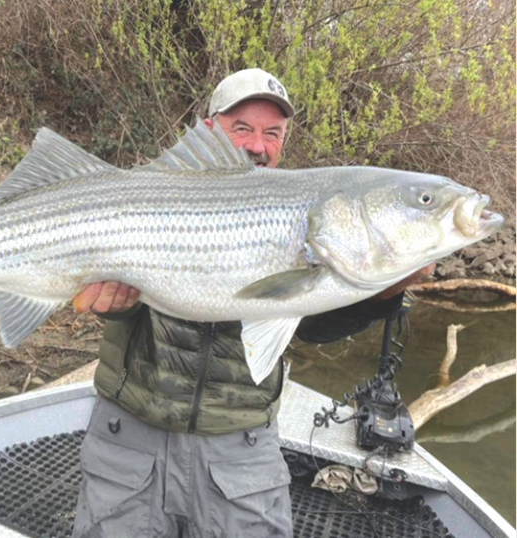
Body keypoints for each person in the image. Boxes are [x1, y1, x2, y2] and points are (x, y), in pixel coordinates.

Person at [70, 68, 434, 538]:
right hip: (130, 439)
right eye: (241, 128)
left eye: (272, 133)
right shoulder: (150, 192)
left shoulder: (294, 212)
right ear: (209, 129)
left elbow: (310, 327)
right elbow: (123, 302)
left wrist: (382, 295)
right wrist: (116, 304)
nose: (257, 145)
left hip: (241, 454)